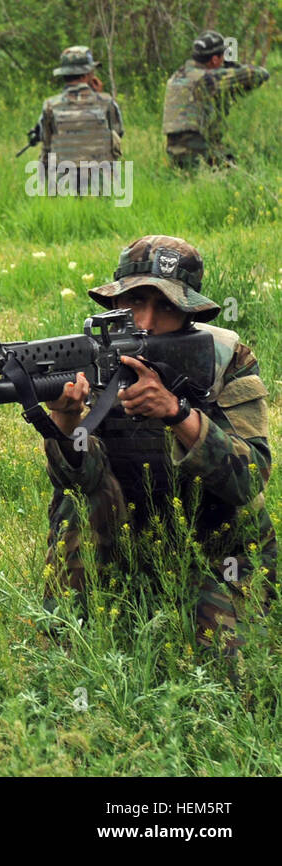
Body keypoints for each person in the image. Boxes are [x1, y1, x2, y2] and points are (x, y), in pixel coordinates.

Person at [40, 235, 273, 655]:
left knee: (233, 676)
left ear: (188, 313)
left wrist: (177, 414)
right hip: (125, 532)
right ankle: (70, 634)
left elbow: (249, 478)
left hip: (216, 541)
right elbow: (76, 480)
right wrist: (67, 417)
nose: (145, 321)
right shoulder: (92, 359)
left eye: (164, 306)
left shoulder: (224, 360)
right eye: (133, 304)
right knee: (76, 506)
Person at [162, 30, 270, 168]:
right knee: (242, 170)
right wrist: (234, 68)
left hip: (175, 151)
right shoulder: (208, 79)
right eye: (222, 56)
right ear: (214, 59)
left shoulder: (178, 75)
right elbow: (261, 74)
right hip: (196, 152)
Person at [36, 46, 123, 191]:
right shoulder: (106, 102)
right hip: (101, 180)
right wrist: (98, 96)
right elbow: (117, 132)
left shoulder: (50, 105)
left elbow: (46, 140)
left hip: (63, 180)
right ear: (85, 75)